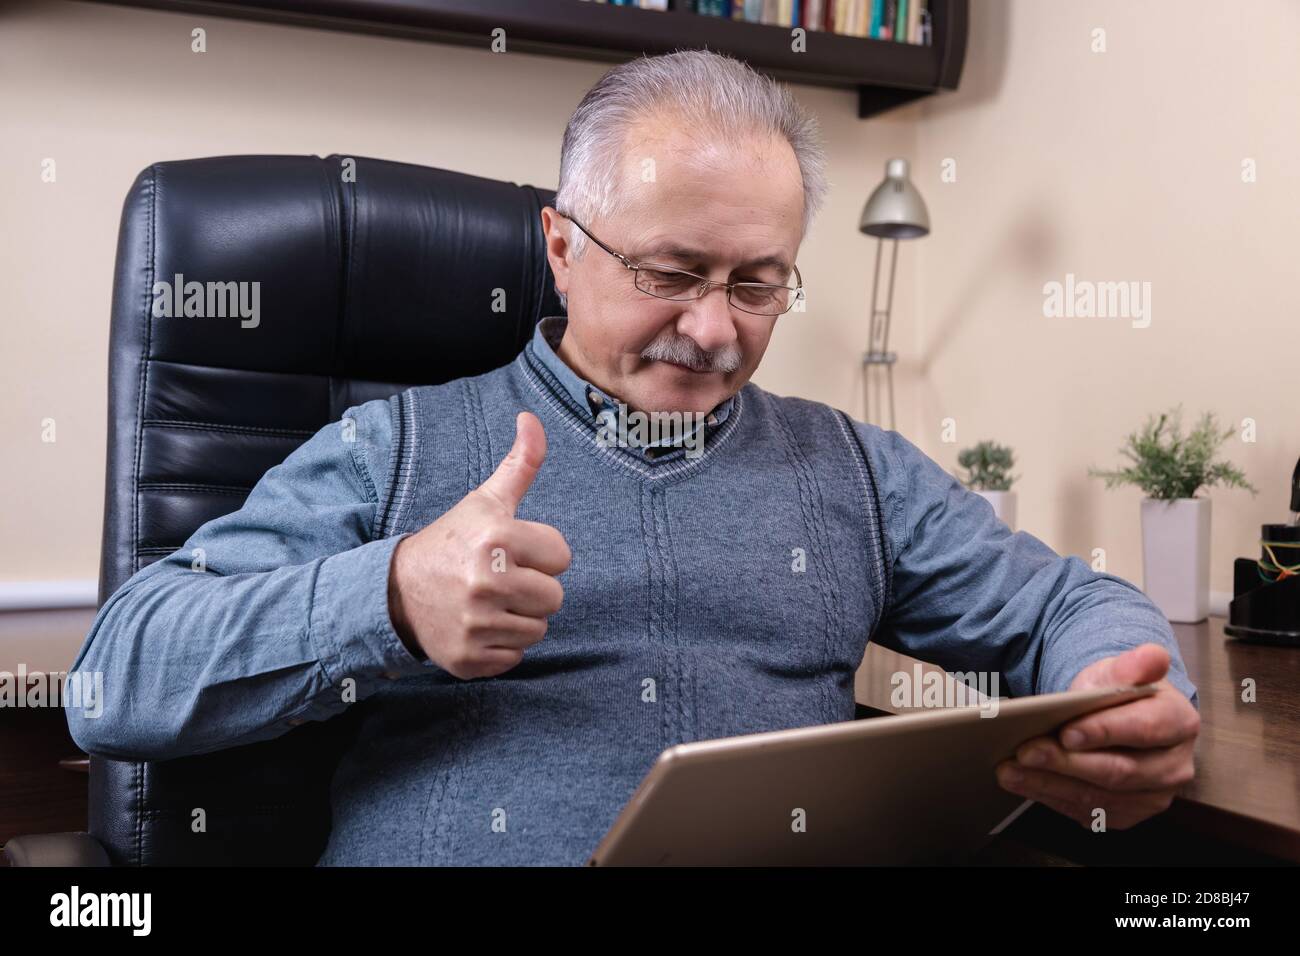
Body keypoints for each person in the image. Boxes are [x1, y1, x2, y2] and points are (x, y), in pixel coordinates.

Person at [65, 49, 1198, 866]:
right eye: (670, 270)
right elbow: (117, 676)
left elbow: (1068, 606)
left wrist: (1120, 683)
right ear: (562, 247)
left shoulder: (852, 468)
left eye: (757, 281)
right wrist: (392, 596)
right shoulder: (394, 444)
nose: (715, 329)